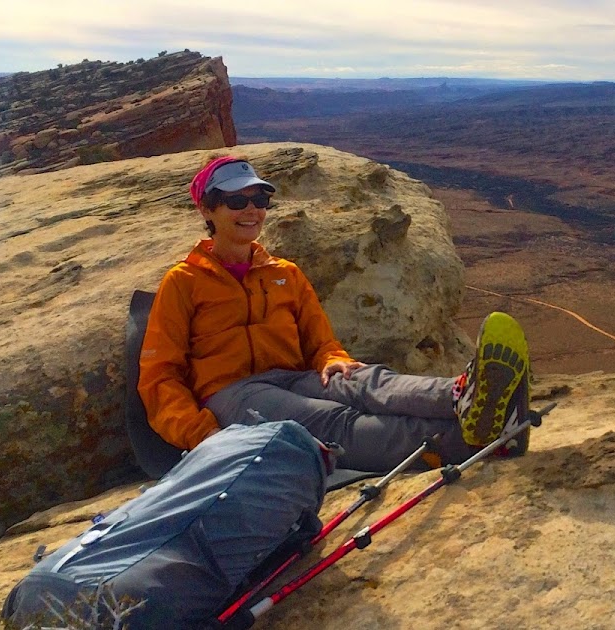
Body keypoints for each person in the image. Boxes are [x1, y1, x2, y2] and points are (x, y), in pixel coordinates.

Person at [138, 156, 529, 472]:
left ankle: (465, 394)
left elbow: (319, 339)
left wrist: (333, 359)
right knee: (333, 420)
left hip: (293, 376)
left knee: (363, 382)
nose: (252, 210)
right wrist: (201, 434)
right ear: (208, 208)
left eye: (260, 200)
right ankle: (475, 438)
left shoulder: (284, 274)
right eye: (237, 201)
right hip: (231, 394)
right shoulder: (183, 282)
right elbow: (160, 377)